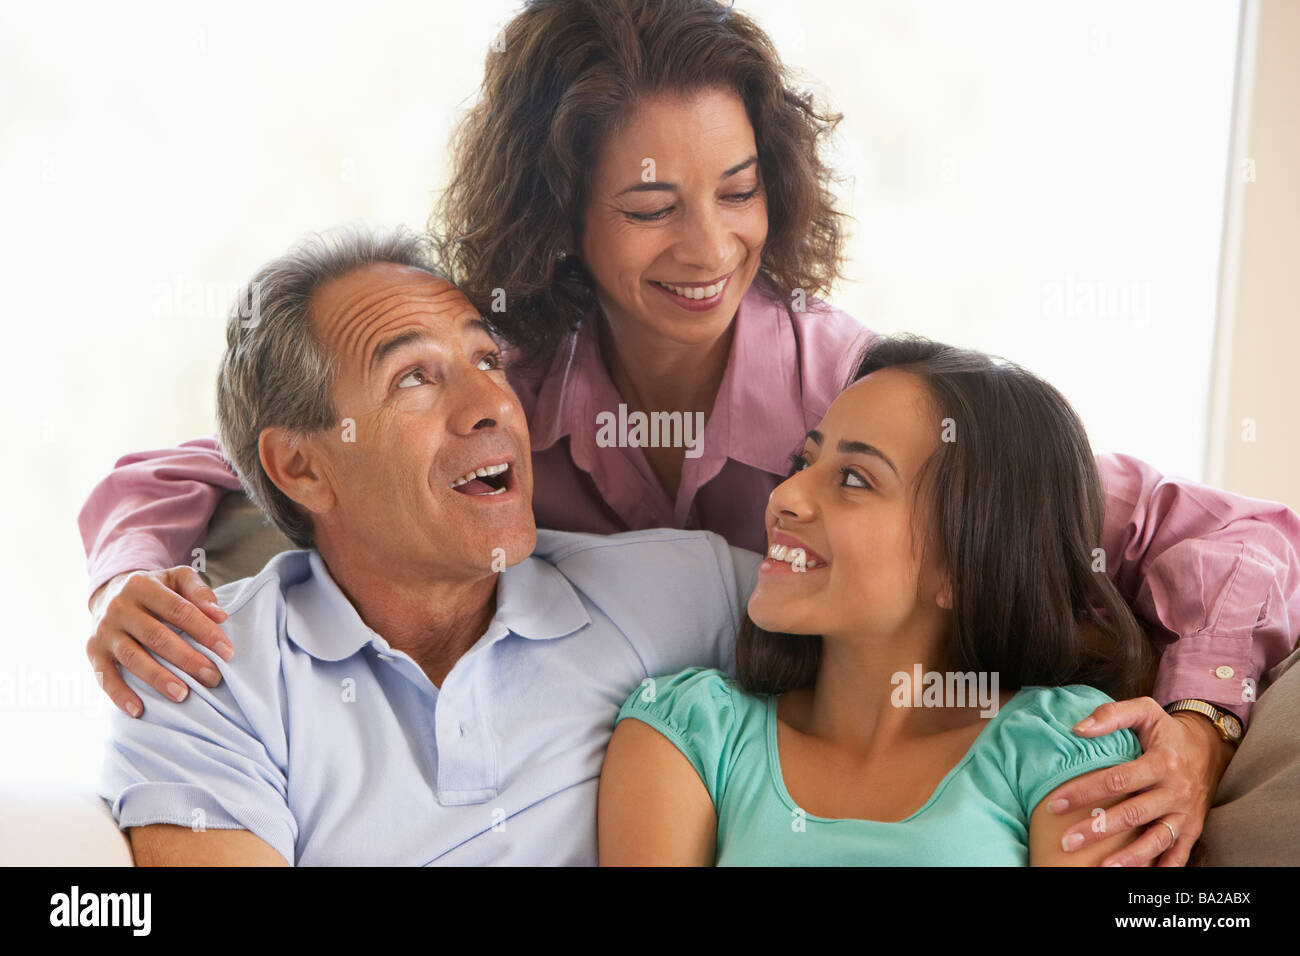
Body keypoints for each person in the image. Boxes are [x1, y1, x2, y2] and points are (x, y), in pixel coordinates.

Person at [81, 0, 1300, 865]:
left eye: (739, 191)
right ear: (565, 217)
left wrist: (1198, 724)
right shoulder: (513, 371)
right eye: (653, 205)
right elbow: (217, 459)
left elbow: (1226, 529)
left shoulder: (849, 385)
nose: (711, 248)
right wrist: (125, 582)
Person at [101, 228, 761, 865]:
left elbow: (864, 638)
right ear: (302, 468)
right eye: (412, 377)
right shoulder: (205, 673)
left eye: (487, 361)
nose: (491, 407)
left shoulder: (685, 592)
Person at [599, 337, 1158, 865]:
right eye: (804, 463)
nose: (785, 497)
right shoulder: (692, 734)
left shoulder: (1069, 748)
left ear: (965, 565)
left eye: (855, 479)